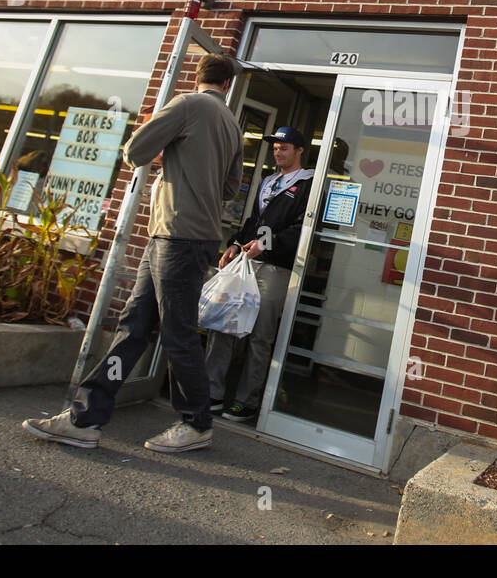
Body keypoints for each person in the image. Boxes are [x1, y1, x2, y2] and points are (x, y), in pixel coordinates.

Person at [22, 53, 242, 453]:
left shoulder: (188, 104)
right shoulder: (231, 125)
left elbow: (135, 150)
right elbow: (229, 190)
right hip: (187, 236)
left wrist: (166, 155)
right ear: (228, 84)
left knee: (177, 334)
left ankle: (196, 423)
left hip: (176, 235)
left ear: (198, 78)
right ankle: (84, 418)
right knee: (135, 326)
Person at [206, 126, 313, 421]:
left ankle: (247, 401)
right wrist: (236, 243)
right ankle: (211, 393)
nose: (278, 152)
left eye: (284, 148)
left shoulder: (308, 184)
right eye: (275, 148)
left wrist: (267, 244)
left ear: (299, 151)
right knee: (223, 324)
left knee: (260, 336)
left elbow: (302, 229)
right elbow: (255, 220)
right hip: (246, 264)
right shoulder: (268, 182)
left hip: (276, 269)